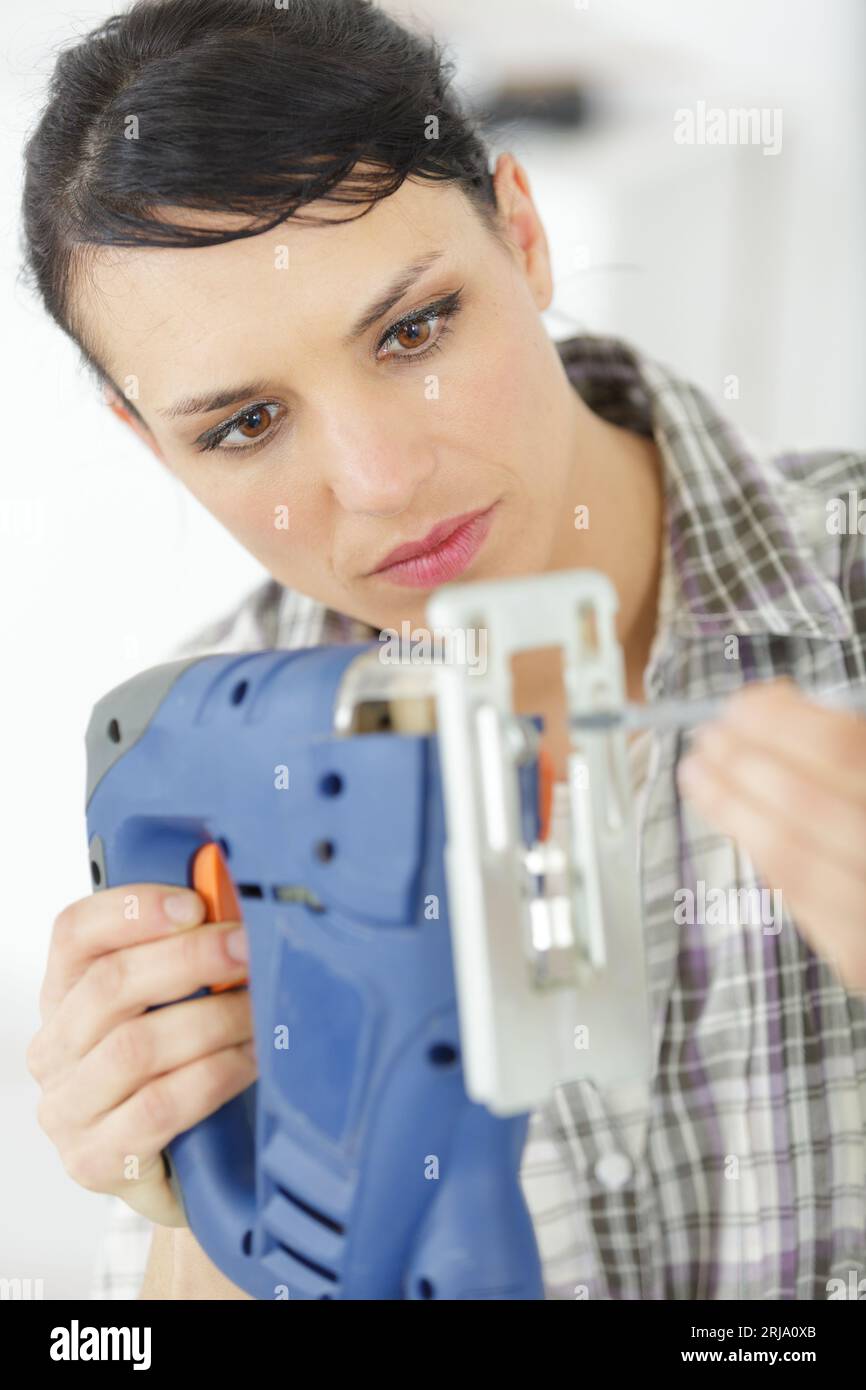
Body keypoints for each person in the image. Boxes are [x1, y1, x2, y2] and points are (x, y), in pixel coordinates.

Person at [21, 0, 866, 1300]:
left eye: (412, 331)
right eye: (246, 422)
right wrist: (200, 1187)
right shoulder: (206, 767)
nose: (379, 482)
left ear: (521, 235)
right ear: (152, 443)